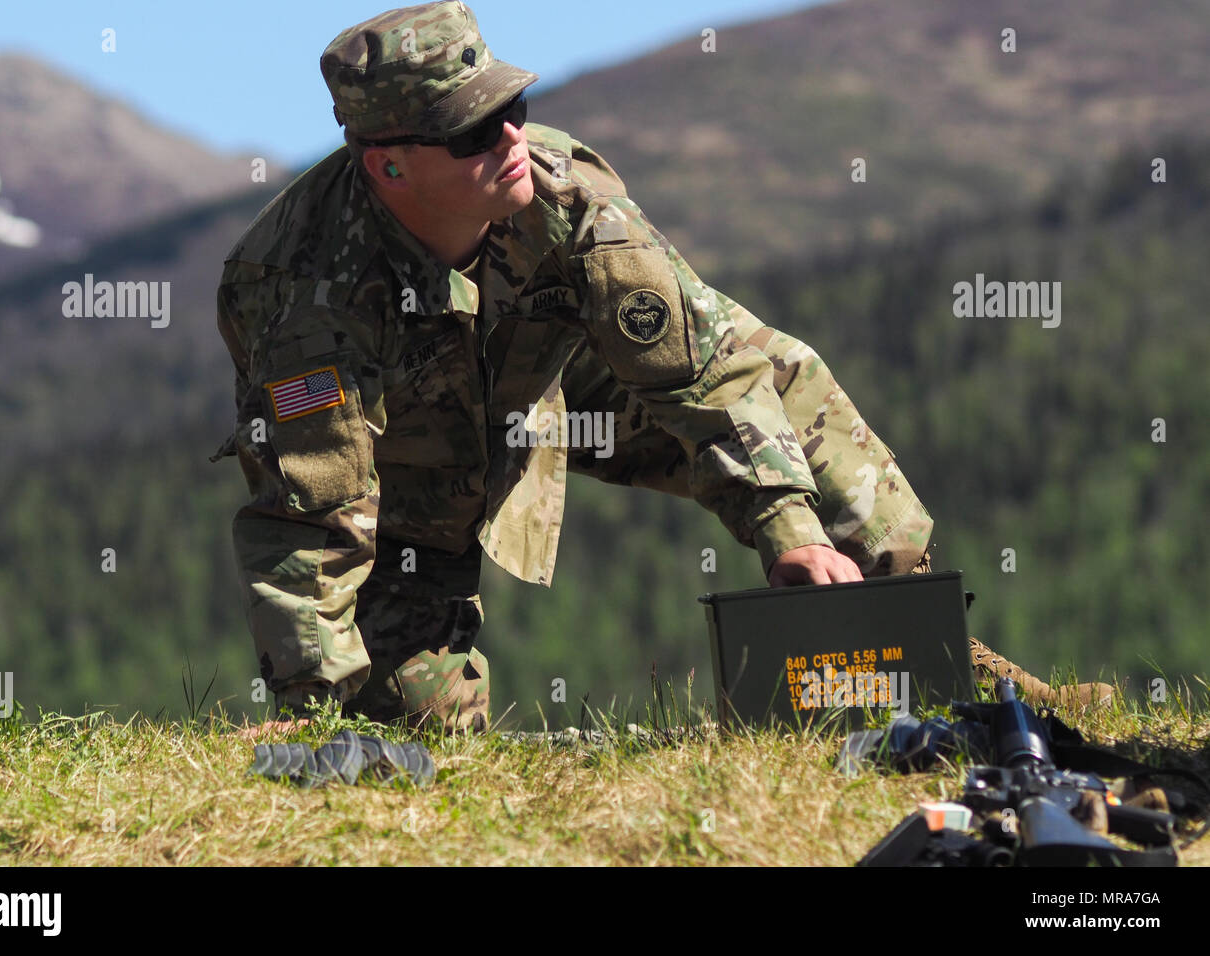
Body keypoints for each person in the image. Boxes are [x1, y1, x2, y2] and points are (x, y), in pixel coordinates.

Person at [214, 1, 1107, 737]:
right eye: (475, 129)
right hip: (406, 476)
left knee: (784, 386)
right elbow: (310, 521)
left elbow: (703, 373)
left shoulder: (566, 196)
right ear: (391, 165)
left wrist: (788, 527)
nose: (512, 135)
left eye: (513, 107)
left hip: (558, 384)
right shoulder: (304, 298)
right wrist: (316, 718)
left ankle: (939, 658)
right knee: (412, 736)